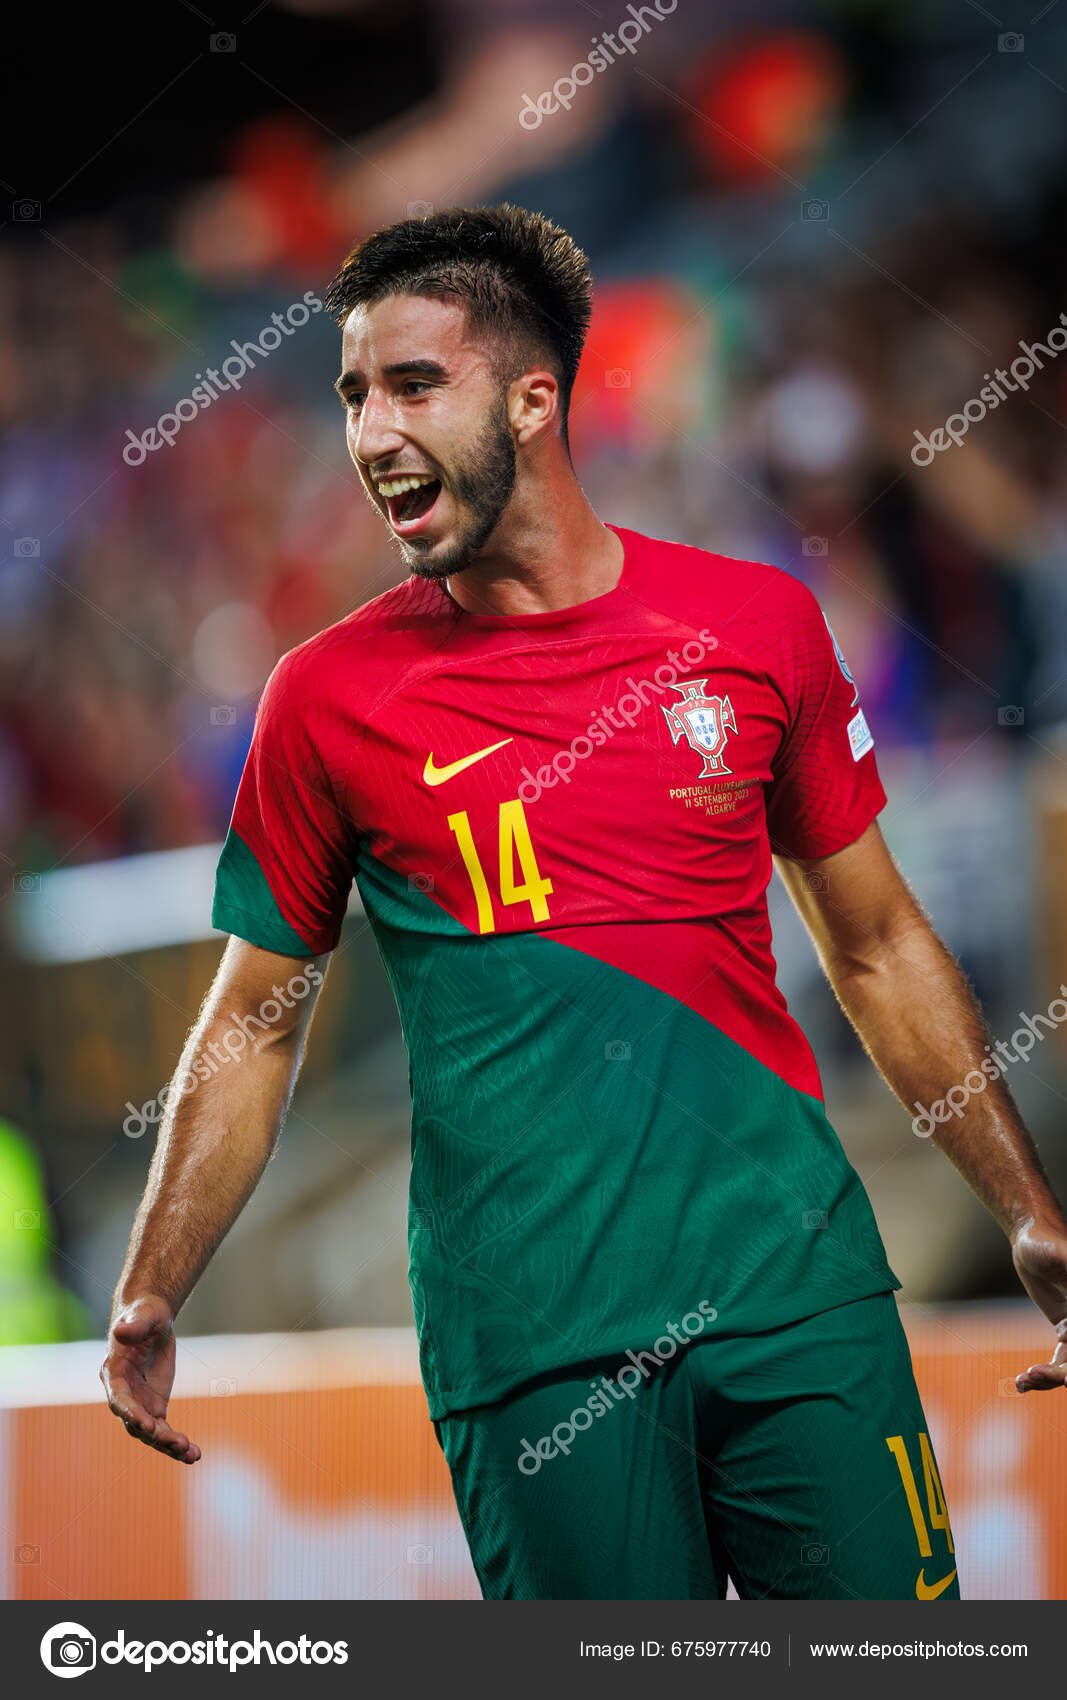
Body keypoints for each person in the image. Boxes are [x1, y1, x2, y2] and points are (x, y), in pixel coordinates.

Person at [102, 205, 1067, 1601]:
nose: (372, 432)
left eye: (414, 385)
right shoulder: (323, 700)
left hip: (798, 1294)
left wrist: (1027, 1206)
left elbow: (875, 943)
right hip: (533, 1352)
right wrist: (153, 1281)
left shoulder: (755, 627)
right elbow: (256, 1019)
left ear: (533, 399)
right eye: (355, 394)